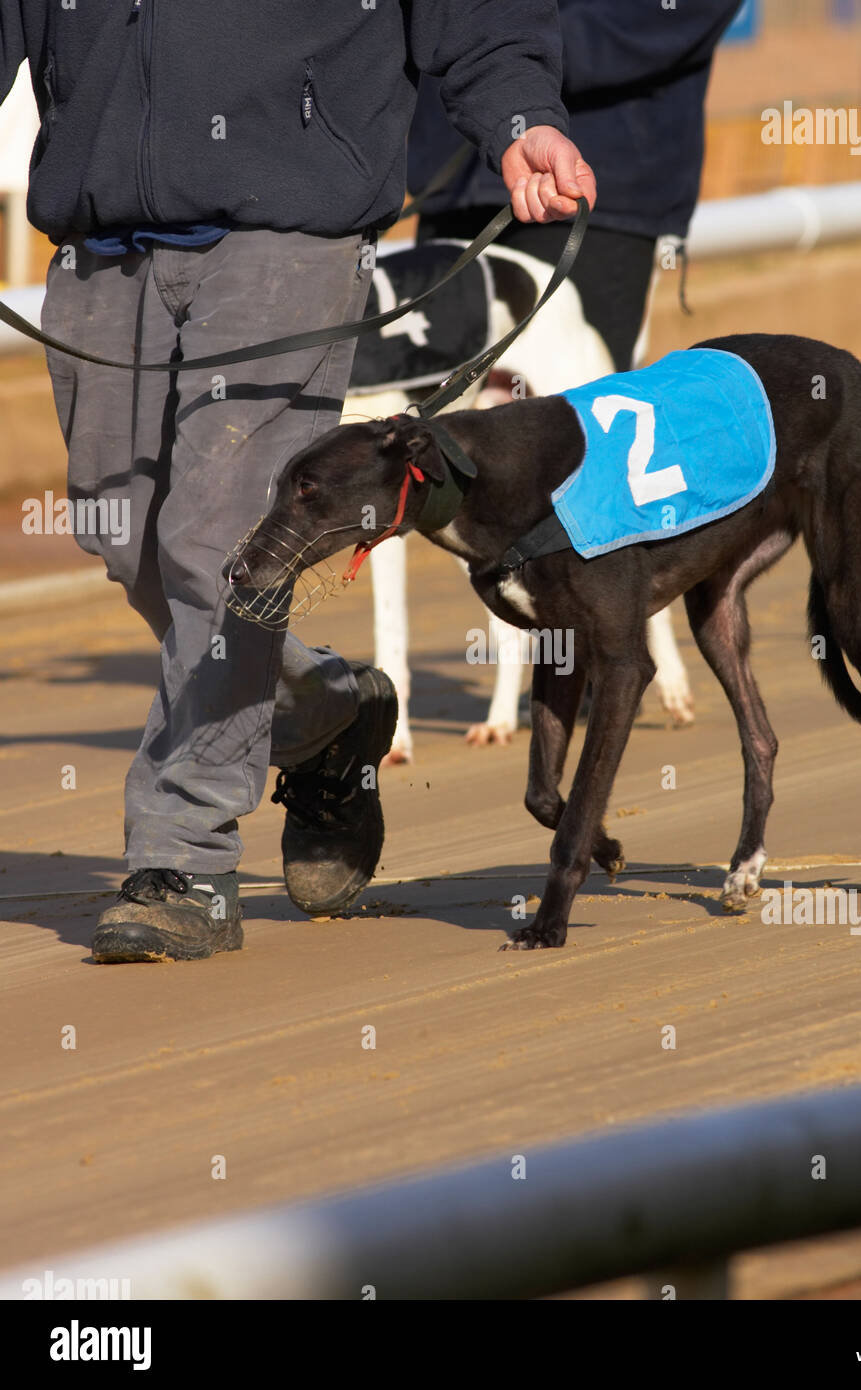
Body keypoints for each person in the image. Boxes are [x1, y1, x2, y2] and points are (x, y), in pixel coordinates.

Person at [0, 0, 596, 963]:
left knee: (220, 548)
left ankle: (184, 859)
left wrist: (519, 116)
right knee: (134, 547)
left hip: (291, 224)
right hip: (98, 236)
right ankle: (324, 713)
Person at [408, 0, 741, 373]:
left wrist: (512, 54)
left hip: (598, 196)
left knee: (566, 416)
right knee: (432, 416)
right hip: (452, 179)